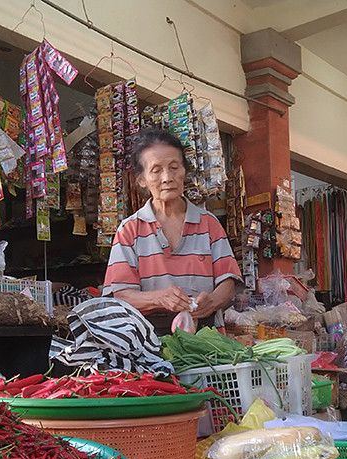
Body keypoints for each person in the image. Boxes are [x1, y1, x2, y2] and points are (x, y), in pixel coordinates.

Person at [102, 129, 242, 335]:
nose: (167, 177)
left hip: (207, 338)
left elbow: (228, 283)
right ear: (141, 179)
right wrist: (158, 298)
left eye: (174, 167)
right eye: (156, 170)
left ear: (184, 171)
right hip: (149, 344)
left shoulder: (208, 223)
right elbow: (120, 295)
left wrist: (211, 302)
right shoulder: (130, 229)